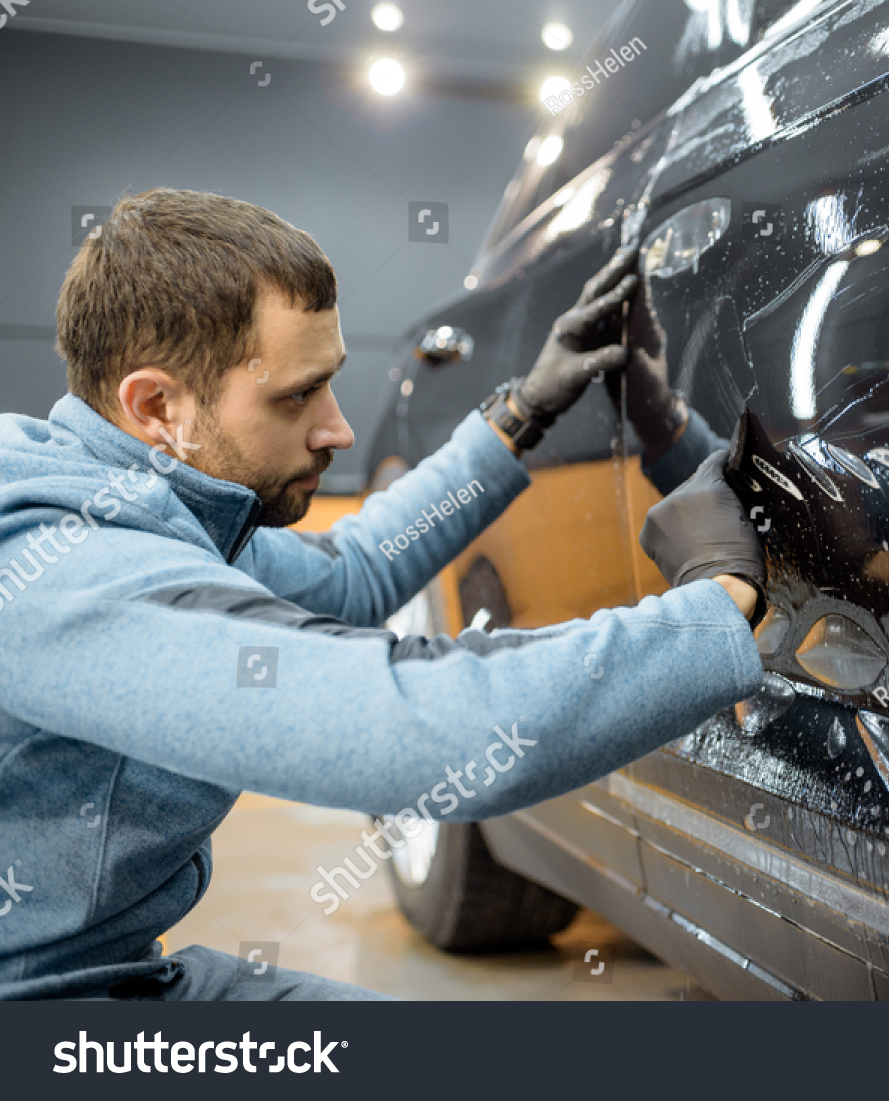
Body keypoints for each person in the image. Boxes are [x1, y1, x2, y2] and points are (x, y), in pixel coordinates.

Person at [0, 188, 765, 1001]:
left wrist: (523, 410)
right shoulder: (57, 571)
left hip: (111, 974)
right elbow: (419, 729)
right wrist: (716, 601)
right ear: (157, 406)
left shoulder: (156, 511)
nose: (338, 430)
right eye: (295, 397)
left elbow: (353, 571)